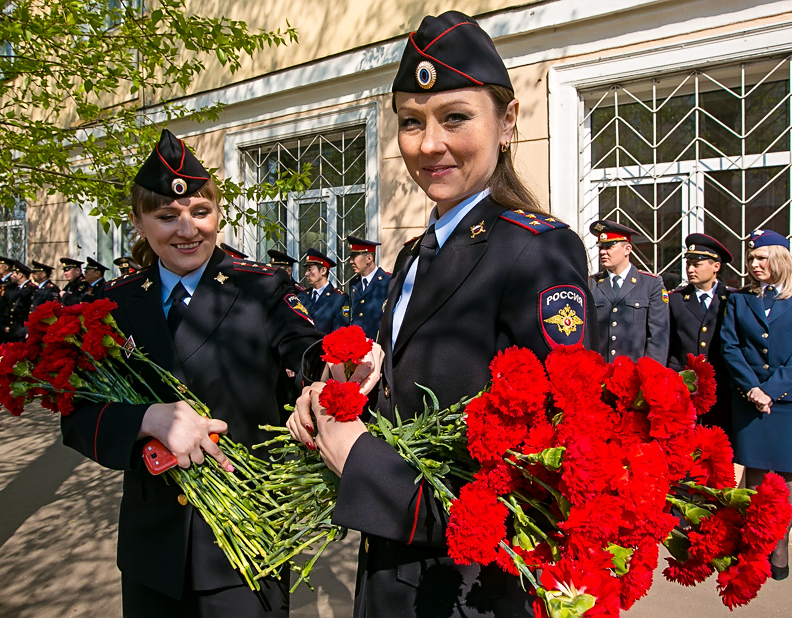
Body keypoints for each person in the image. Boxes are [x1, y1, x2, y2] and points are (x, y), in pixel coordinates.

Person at [287, 12, 596, 618]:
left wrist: (359, 461)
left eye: (455, 117)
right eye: (411, 122)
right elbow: (407, 393)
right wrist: (334, 396)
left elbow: (540, 470)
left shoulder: (536, 250)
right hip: (391, 566)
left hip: (465, 588)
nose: (429, 144)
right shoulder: (416, 252)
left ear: (507, 122)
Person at [59, 129, 333, 618]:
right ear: (138, 222)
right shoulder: (114, 303)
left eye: (200, 212)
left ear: (218, 214)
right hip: (153, 548)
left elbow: (306, 348)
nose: (188, 229)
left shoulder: (261, 288)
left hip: (247, 543)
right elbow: (78, 416)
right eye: (167, 216)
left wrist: (333, 368)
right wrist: (147, 419)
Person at [720, 229, 792, 581]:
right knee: (756, 469)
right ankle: (755, 541)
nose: (754, 264)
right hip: (749, 397)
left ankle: (779, 543)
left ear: (780, 259)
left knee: (788, 471)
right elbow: (730, 346)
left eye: (761, 257)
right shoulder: (739, 299)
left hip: (791, 400)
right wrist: (752, 388)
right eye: (751, 258)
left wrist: (770, 390)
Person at [667, 233, 735, 437]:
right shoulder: (676, 300)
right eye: (688, 264)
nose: (690, 270)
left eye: (697, 265)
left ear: (716, 266)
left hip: (723, 388)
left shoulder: (732, 298)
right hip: (685, 388)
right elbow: (670, 344)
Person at [587, 220, 669, 364]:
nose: (602, 252)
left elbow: (658, 337)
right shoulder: (591, 283)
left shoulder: (651, 284)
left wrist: (649, 373)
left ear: (627, 249)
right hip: (599, 371)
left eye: (609, 247)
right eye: (601, 247)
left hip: (634, 372)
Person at [346, 236, 390, 340]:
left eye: (354, 257)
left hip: (378, 343)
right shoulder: (354, 282)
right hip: (357, 343)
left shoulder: (388, 281)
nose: (351, 262)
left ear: (369, 259)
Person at [301, 248, 350, 333]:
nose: (306, 274)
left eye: (310, 269)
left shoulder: (338, 298)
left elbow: (339, 332)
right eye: (306, 270)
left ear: (323, 271)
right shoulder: (302, 296)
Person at [0, 255, 19, 345]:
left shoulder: (11, 283)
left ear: (6, 267)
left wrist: (8, 324)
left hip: (5, 326)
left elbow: (11, 304)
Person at [6, 260, 35, 341]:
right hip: (15, 330)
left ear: (20, 275)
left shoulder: (30, 289)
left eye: (13, 274)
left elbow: (30, 311)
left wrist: (27, 329)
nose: (11, 276)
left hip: (22, 331)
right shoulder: (16, 288)